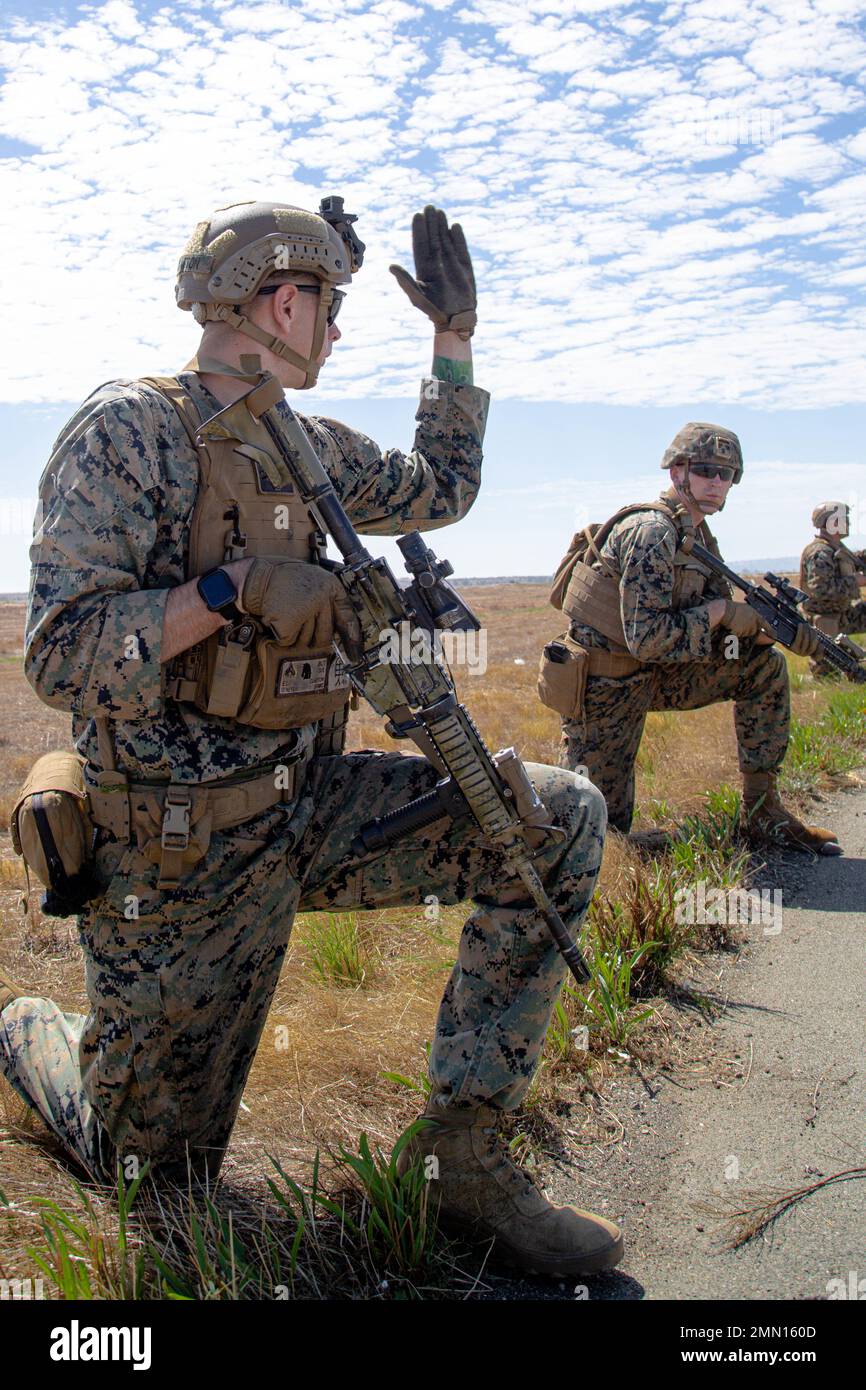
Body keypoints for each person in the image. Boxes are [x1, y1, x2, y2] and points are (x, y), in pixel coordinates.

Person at [1, 198, 621, 1278]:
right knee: (154, 1179)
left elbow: (443, 486)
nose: (333, 334)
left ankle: (466, 1155)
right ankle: (32, 1037)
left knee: (552, 818)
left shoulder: (308, 444)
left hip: (311, 805)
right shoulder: (127, 433)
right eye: (328, 308)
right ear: (282, 301)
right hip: (180, 851)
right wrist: (229, 591)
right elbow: (59, 653)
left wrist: (454, 347)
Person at [545, 423, 841, 855]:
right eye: (706, 470)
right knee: (596, 837)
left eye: (728, 474)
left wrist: (754, 636)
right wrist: (722, 612)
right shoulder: (652, 533)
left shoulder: (697, 535)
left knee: (763, 667)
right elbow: (648, 638)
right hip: (604, 688)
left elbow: (704, 633)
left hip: (654, 674)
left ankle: (763, 811)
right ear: (676, 472)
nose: (717, 482)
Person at [798, 502, 866, 678]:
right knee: (829, 674)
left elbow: (857, 561)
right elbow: (819, 590)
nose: (849, 524)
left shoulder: (836, 548)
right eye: (845, 520)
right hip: (824, 619)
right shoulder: (820, 552)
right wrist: (855, 582)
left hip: (842, 613)